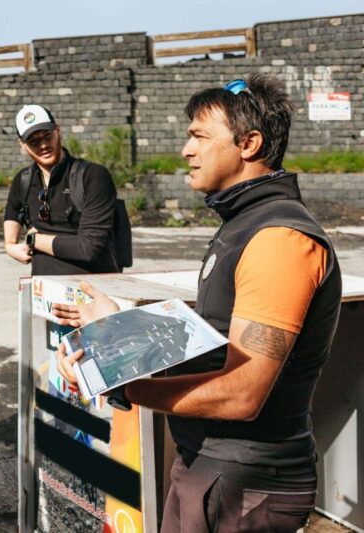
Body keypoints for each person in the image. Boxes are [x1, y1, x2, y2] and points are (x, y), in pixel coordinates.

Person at [55, 75, 341, 533]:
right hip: (210, 468)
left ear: (249, 143)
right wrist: (118, 329)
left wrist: (120, 388)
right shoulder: (244, 222)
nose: (187, 149)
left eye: (199, 136)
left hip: (246, 480)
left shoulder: (279, 238)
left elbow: (243, 390)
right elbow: (216, 338)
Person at [4, 104, 123, 275]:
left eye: (47, 136)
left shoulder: (92, 176)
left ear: (58, 130)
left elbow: (87, 248)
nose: (43, 145)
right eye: (34, 141)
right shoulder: (23, 180)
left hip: (92, 289)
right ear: (22, 145)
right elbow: (12, 212)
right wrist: (9, 244)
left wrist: (33, 239)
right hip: (43, 290)